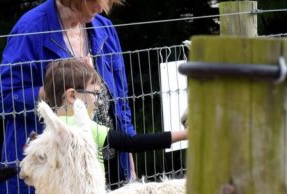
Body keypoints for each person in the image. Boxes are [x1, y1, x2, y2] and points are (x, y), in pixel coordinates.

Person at [0, 0, 135, 194]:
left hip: (102, 171)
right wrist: (54, 92)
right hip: (52, 175)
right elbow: (3, 98)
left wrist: (130, 166)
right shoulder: (31, 29)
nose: (103, 7)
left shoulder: (104, 29)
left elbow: (121, 104)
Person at [41, 59, 187, 155]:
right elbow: (132, 143)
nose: (99, 102)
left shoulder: (49, 130)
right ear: (72, 96)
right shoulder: (83, 128)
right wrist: (186, 134)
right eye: (95, 94)